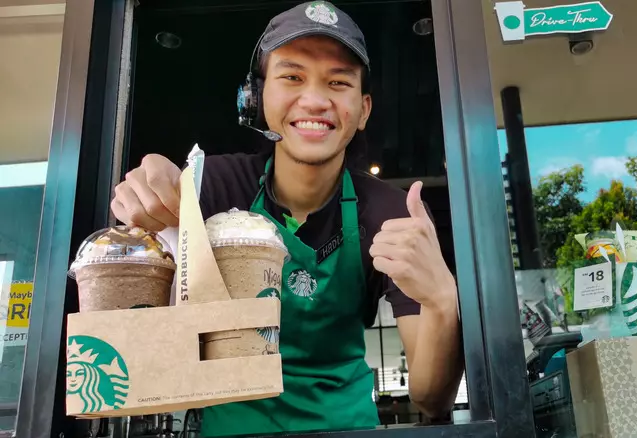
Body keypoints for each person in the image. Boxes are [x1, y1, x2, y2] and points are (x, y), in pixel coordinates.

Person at [110, 1, 464, 436]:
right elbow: (140, 343)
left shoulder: (392, 212)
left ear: (364, 109)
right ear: (255, 98)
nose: (315, 100)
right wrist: (148, 204)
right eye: (292, 77)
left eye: (338, 82)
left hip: (348, 428)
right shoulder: (214, 187)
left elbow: (432, 398)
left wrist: (443, 301)